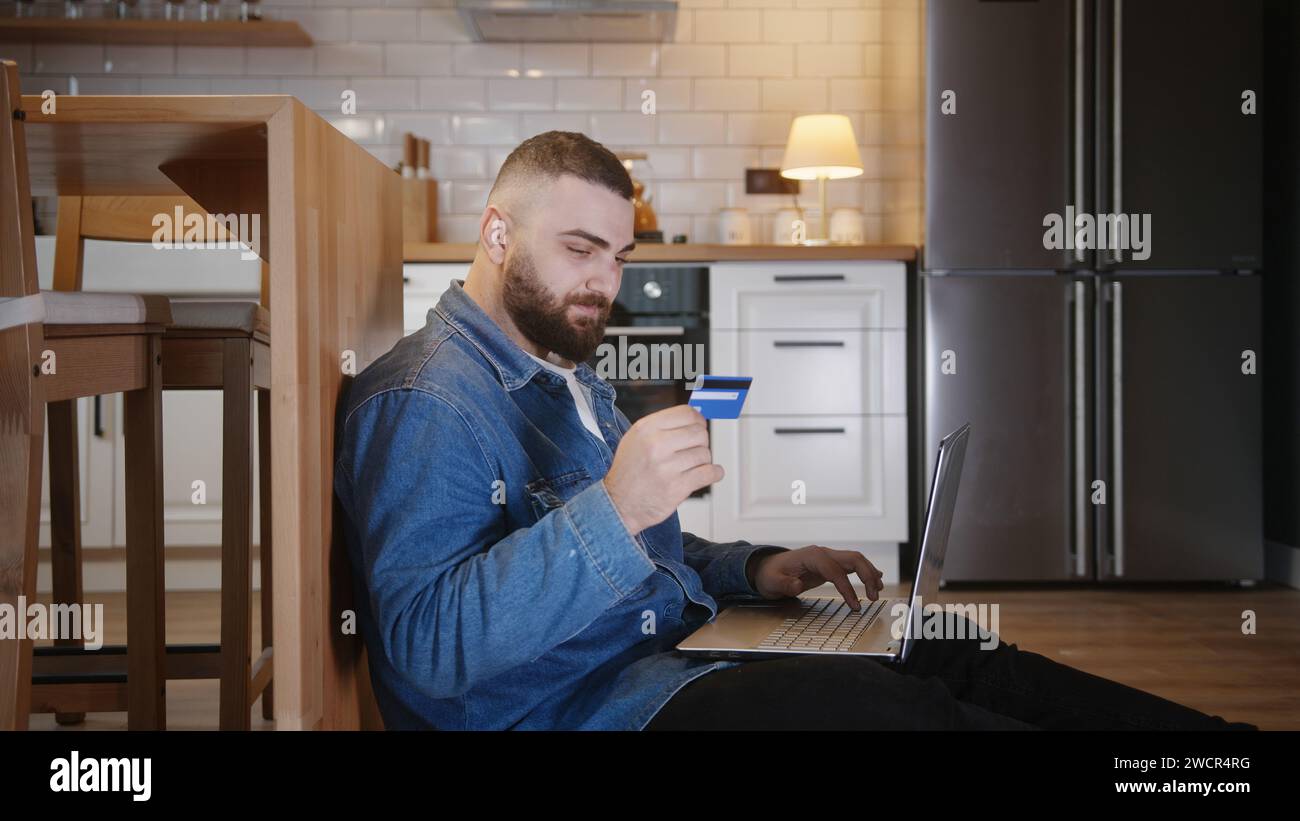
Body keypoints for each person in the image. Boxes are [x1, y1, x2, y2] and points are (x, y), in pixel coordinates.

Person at [333, 131, 1258, 731]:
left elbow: (643, 552)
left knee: (947, 646)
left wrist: (757, 567)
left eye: (618, 257)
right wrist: (617, 508)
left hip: (675, 642)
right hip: (600, 706)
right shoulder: (428, 399)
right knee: (913, 712)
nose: (604, 283)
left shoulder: (559, 371)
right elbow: (423, 655)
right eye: (578, 250)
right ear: (496, 234)